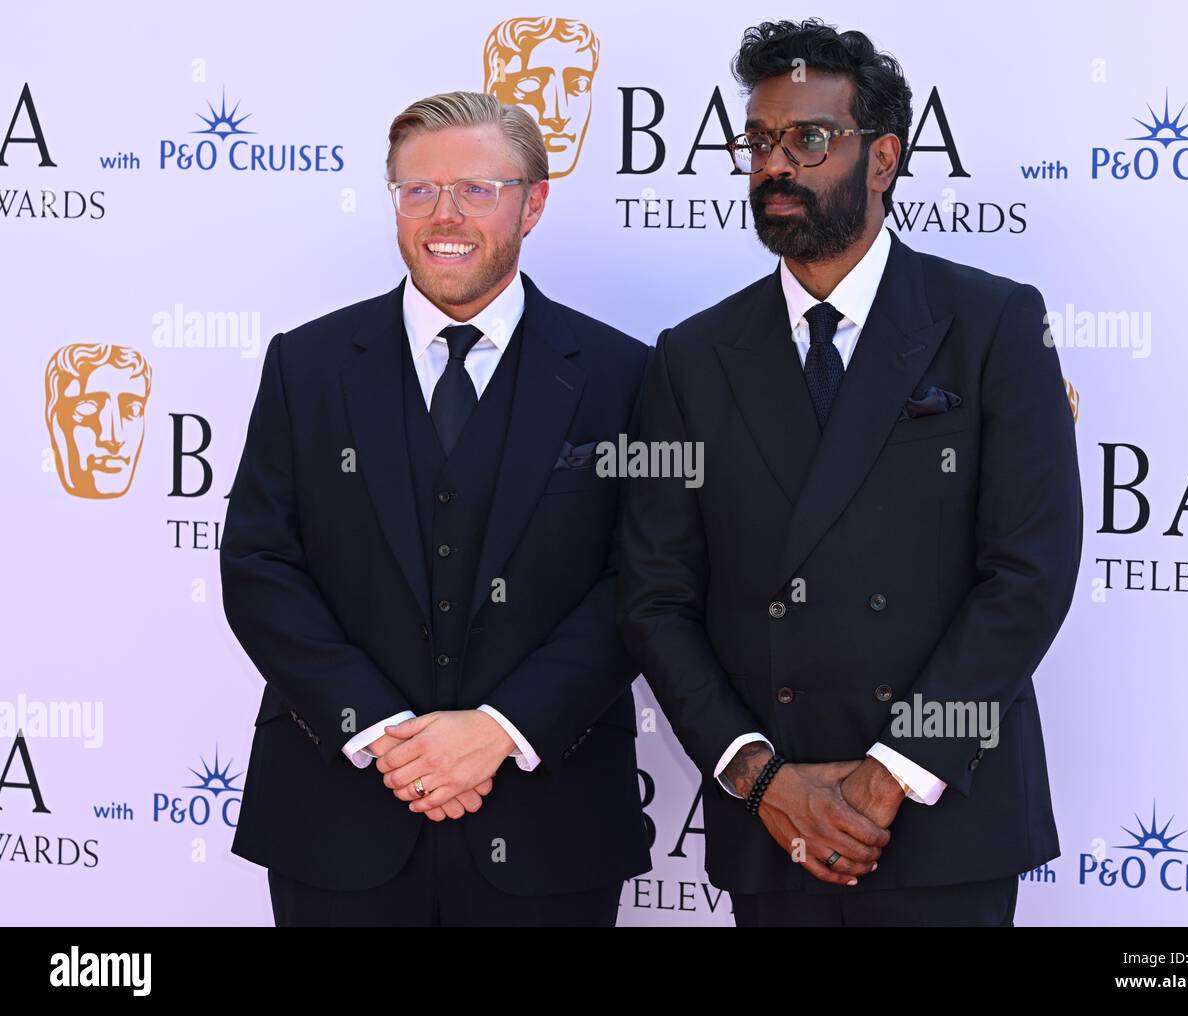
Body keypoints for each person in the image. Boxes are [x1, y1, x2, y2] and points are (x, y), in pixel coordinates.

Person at [617, 20, 1083, 927]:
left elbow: (1028, 573)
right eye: (758, 142)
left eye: (809, 139)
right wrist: (759, 777)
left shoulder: (991, 324)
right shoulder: (693, 355)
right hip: (774, 826)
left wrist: (892, 772)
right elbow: (655, 596)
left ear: (883, 159)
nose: (775, 165)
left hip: (945, 815)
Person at [221, 90, 650, 926]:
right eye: (419, 191)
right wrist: (379, 729)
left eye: (476, 190)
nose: (443, 215)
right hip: (337, 819)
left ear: (534, 201)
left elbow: (642, 581)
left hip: (549, 826)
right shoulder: (305, 366)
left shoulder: (622, 375)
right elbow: (260, 565)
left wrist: (502, 727)